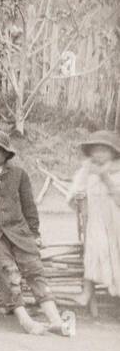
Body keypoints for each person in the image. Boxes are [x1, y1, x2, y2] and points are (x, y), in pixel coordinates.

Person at [0, 131, 70, 336]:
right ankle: (25, 320)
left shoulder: (19, 175)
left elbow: (29, 208)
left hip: (19, 234)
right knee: (8, 270)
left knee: (34, 267)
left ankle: (54, 319)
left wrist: (34, 233)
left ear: (5, 154)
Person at [66, 130, 120, 314]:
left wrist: (106, 179)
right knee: (93, 252)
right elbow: (74, 195)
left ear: (114, 152)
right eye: (95, 150)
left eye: (104, 150)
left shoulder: (118, 170)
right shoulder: (86, 170)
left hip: (117, 221)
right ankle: (87, 292)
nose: (99, 154)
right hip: (96, 220)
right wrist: (79, 196)